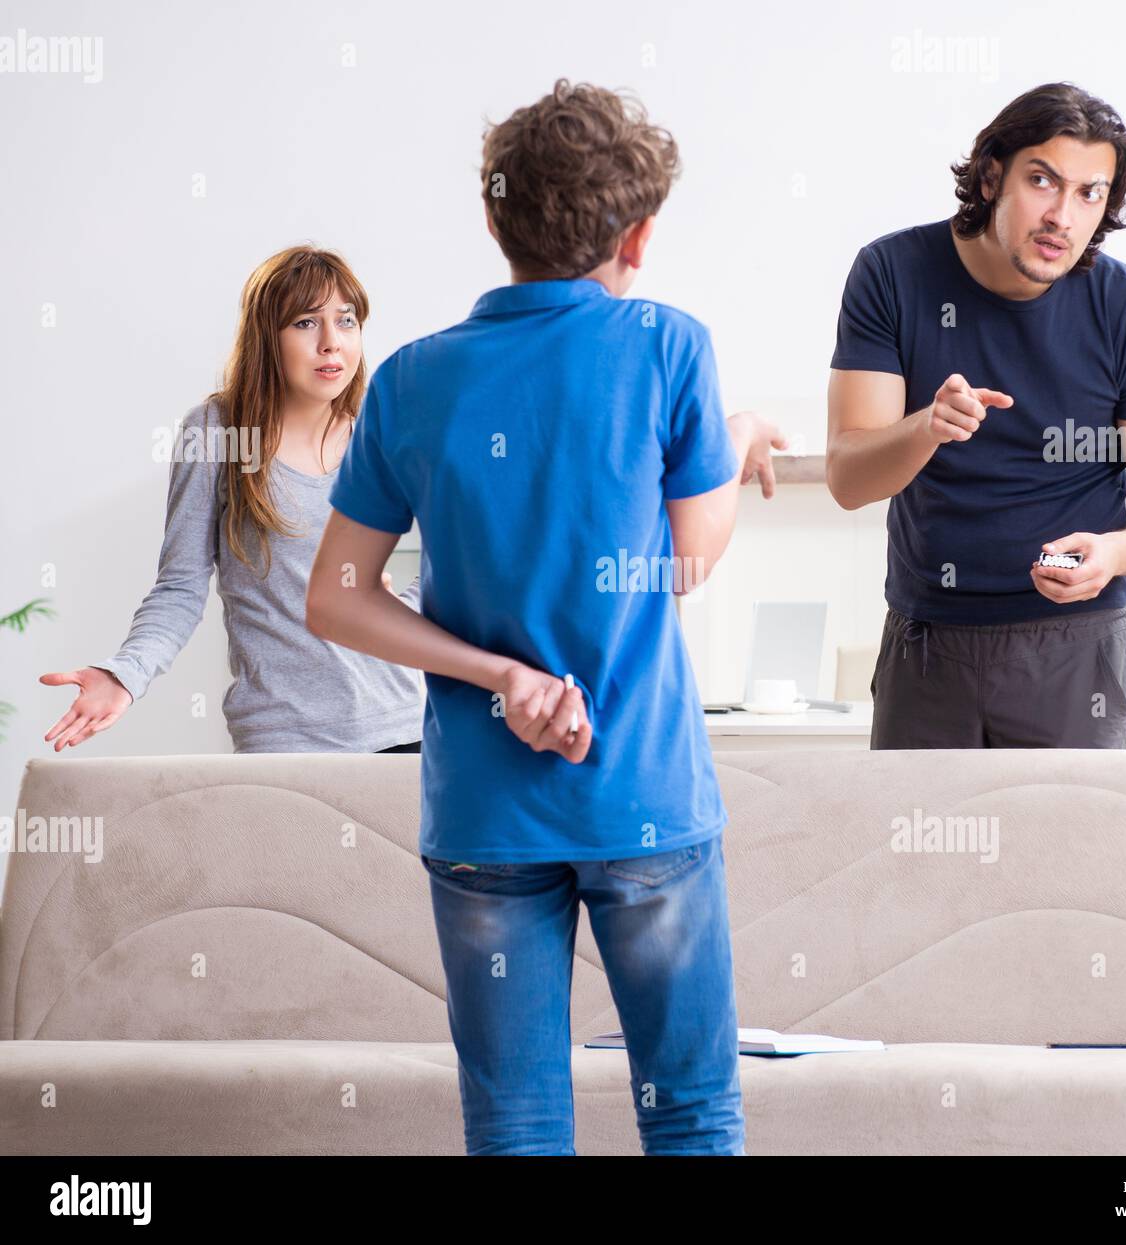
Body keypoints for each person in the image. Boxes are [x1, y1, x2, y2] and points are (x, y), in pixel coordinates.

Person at [305, 79, 786, 1154]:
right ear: (641, 234)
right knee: (692, 1114)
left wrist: (501, 678)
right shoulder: (669, 346)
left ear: (493, 220)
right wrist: (740, 430)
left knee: (514, 1122)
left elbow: (333, 597)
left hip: (484, 815)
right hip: (643, 797)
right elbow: (687, 564)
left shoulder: (413, 378)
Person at [826, 82, 1126, 749]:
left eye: (1090, 193)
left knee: (1067, 854)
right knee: (919, 855)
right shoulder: (891, 273)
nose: (1063, 215)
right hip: (928, 644)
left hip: (1076, 646)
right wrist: (927, 426)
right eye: (1043, 180)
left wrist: (1112, 553)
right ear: (993, 174)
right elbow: (849, 478)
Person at [40, 245, 425, 754]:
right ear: (268, 337)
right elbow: (180, 587)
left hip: (404, 728)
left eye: (346, 321)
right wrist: (124, 675)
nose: (332, 343)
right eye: (307, 323)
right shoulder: (218, 432)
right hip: (285, 741)